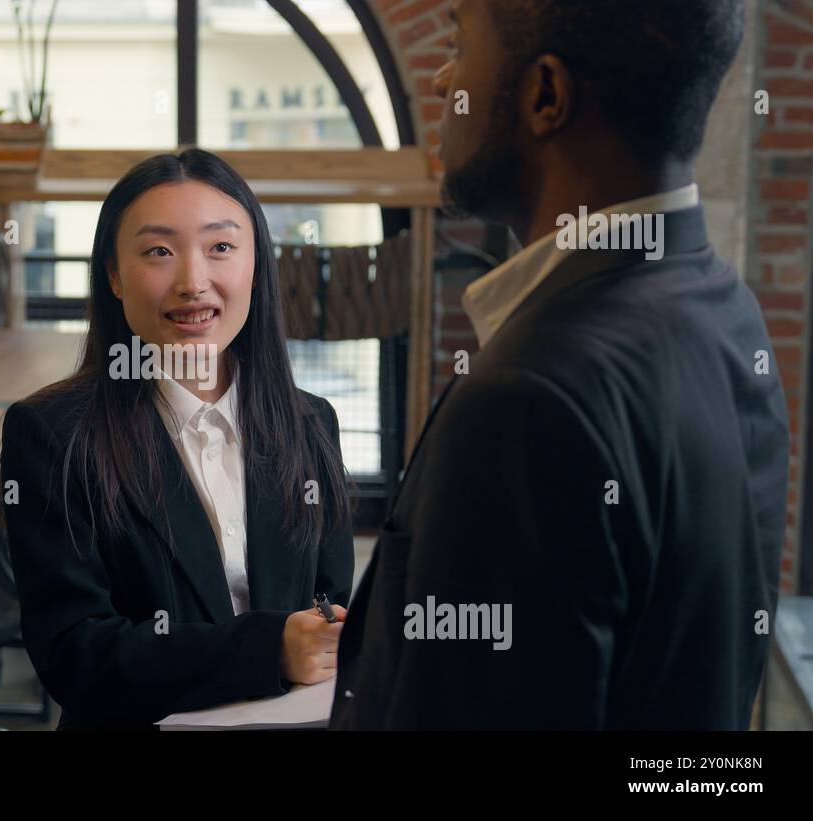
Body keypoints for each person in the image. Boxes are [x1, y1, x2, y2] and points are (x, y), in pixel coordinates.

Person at [331, 0, 788, 729]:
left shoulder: (528, 397)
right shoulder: (730, 313)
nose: (443, 74)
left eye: (459, 42)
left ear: (546, 95)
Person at [0, 148, 353, 729]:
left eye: (221, 247)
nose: (193, 282)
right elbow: (76, 657)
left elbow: (326, 612)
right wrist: (270, 650)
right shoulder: (53, 435)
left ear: (256, 265)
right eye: (158, 251)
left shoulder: (312, 424)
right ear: (113, 274)